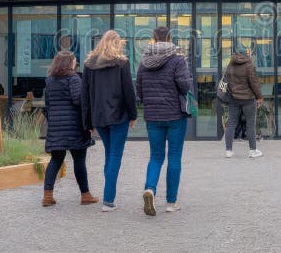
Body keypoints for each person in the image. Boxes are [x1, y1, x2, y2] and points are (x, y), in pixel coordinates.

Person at [135, 27, 193, 216]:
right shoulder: (178, 60)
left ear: (153, 38)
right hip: (175, 115)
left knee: (156, 157)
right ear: (170, 38)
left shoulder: (144, 62)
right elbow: (185, 86)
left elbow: (139, 91)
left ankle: (150, 188)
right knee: (174, 157)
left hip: (153, 116)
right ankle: (171, 202)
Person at [82, 30, 137, 212]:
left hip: (99, 117)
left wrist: (87, 122)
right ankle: (108, 200)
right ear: (116, 43)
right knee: (114, 156)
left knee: (109, 154)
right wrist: (133, 114)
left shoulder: (89, 65)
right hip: (118, 116)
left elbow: (85, 95)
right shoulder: (121, 63)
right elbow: (128, 91)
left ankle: (108, 195)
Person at [41, 50, 97, 207]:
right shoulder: (73, 78)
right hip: (74, 126)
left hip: (56, 127)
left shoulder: (50, 80)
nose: (75, 63)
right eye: (74, 61)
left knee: (56, 159)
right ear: (69, 62)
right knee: (79, 160)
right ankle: (85, 195)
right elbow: (79, 101)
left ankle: (47, 195)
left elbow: (48, 104)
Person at [223, 45, 264, 158]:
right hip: (248, 99)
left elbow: (225, 79)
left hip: (233, 99)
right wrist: (259, 97)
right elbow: (254, 83)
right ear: (246, 53)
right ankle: (252, 150)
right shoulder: (249, 65)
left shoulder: (230, 64)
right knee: (250, 125)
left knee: (231, 124)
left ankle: (228, 151)